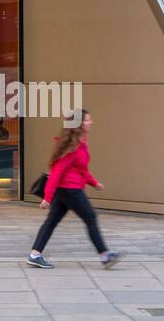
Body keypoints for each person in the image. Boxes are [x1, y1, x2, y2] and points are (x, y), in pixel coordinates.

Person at [26, 109, 120, 269]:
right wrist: (47, 198)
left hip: (65, 190)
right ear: (79, 124)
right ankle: (105, 256)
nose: (91, 123)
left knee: (52, 221)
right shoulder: (72, 147)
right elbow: (57, 172)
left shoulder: (80, 143)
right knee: (90, 218)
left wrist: (94, 183)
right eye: (88, 120)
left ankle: (35, 254)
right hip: (70, 191)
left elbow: (81, 169)